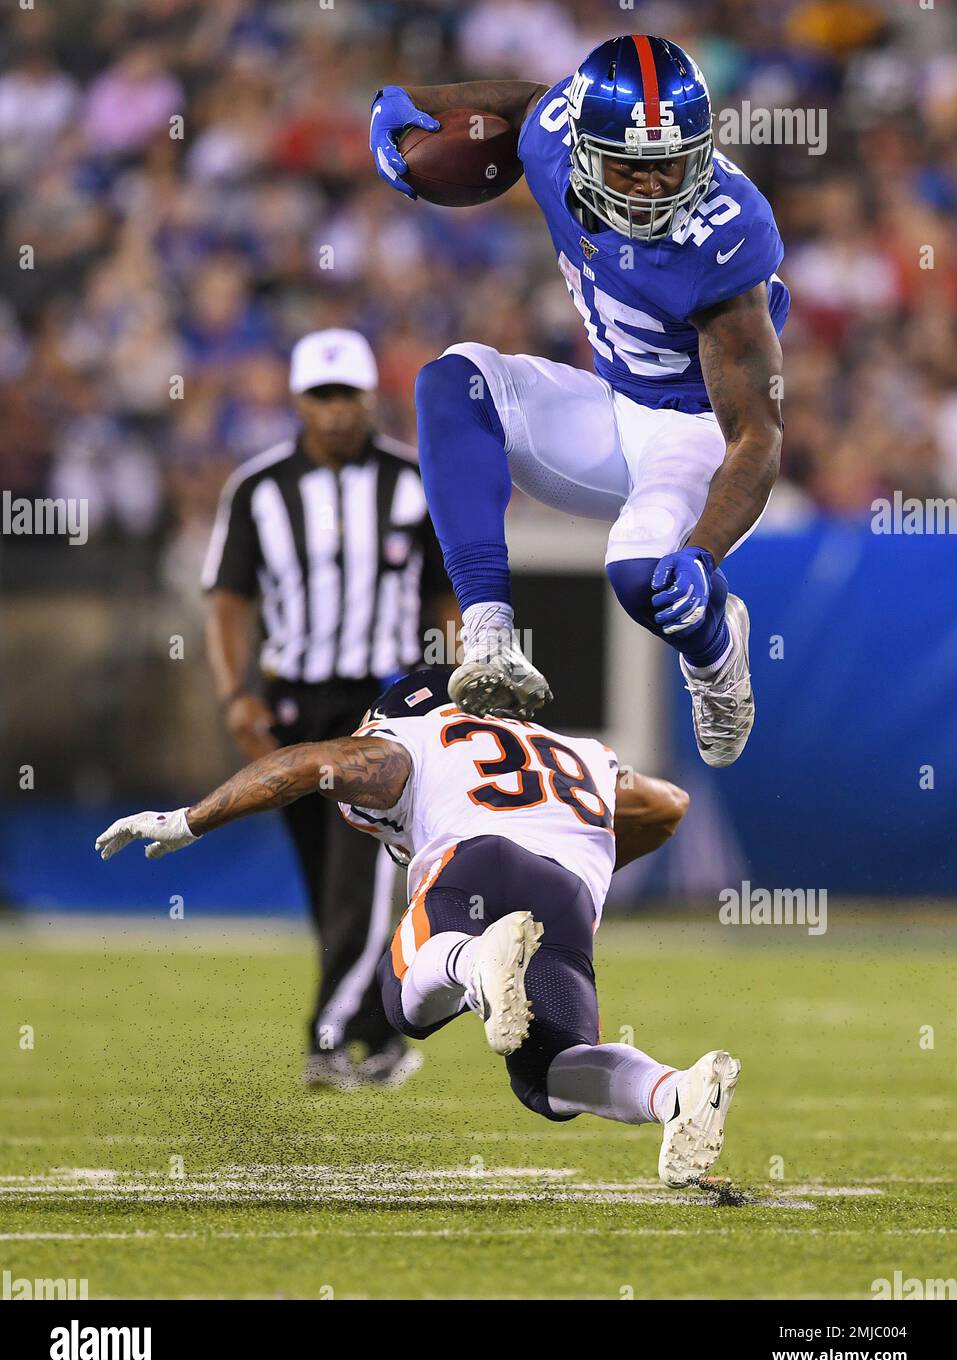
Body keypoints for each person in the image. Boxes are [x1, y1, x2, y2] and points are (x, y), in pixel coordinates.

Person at [95, 666, 741, 1188]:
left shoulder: (414, 742)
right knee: (549, 1074)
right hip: (566, 898)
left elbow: (296, 767)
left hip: (477, 865)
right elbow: (666, 806)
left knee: (401, 1001)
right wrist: (590, 855)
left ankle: (472, 965)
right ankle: (674, 1095)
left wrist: (189, 819)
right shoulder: (579, 752)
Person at [370, 33, 789, 767]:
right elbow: (528, 102)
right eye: (632, 169)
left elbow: (757, 437)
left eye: (672, 166)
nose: (656, 186)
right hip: (611, 403)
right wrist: (406, 104)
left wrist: (701, 553)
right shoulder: (555, 139)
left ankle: (717, 655)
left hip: (697, 435)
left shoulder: (726, 238)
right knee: (453, 382)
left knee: (642, 577)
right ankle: (490, 638)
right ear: (587, 151)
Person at [202, 328, 458, 1089]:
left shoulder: (415, 481)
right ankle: (375, 1040)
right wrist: (234, 691)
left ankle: (326, 1039)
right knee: (328, 887)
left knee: (363, 879)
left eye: (347, 394)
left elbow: (447, 593)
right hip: (290, 703)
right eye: (322, 396)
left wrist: (454, 681)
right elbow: (227, 596)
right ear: (298, 401)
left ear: (369, 395)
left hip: (380, 706)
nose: (337, 411)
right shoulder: (258, 487)